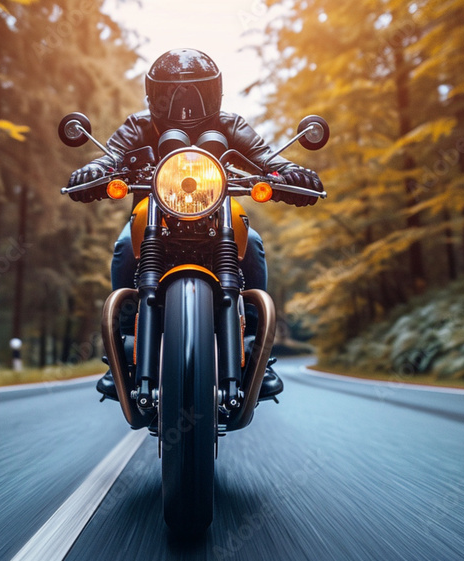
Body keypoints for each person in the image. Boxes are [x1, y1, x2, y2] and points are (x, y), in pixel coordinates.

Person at [66, 48, 323, 402]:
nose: (184, 106)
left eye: (198, 95)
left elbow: (267, 159)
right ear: (153, 95)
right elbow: (111, 156)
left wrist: (289, 173)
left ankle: (253, 348)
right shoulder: (139, 125)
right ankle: (125, 350)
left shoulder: (230, 125)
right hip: (156, 215)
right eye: (170, 94)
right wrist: (97, 170)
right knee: (126, 246)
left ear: (214, 93)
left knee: (255, 245)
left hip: (218, 217)